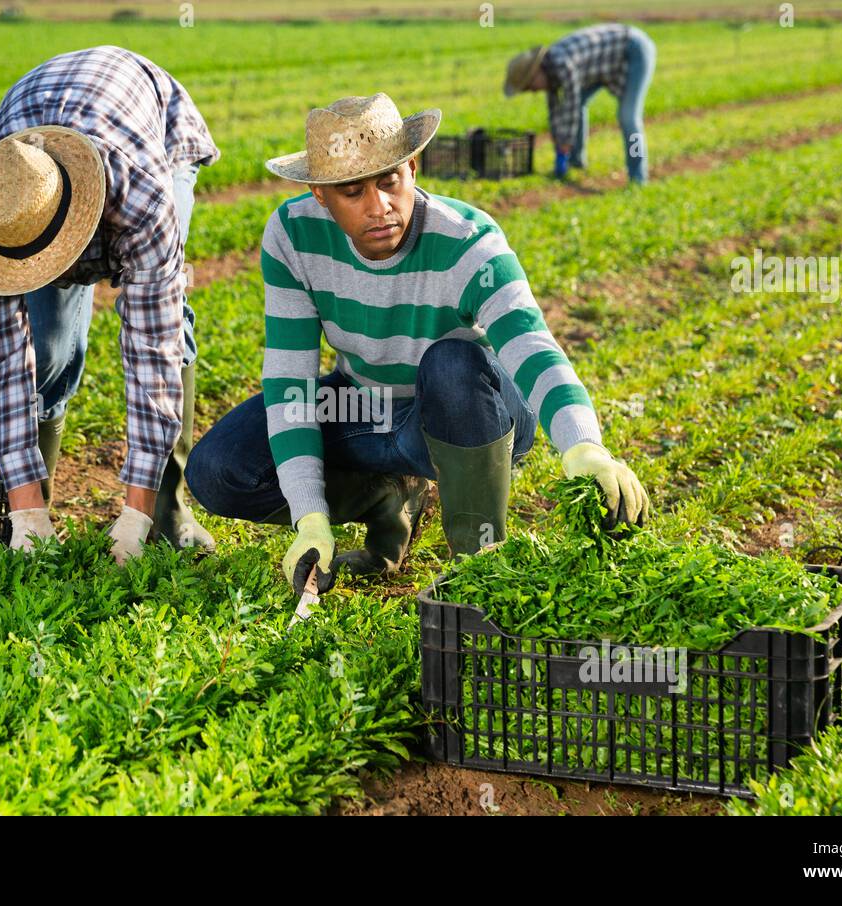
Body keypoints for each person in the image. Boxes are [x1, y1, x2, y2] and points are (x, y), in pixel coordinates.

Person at [185, 93, 648, 595]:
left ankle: (478, 566)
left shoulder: (469, 241)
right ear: (320, 194)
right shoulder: (293, 235)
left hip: (468, 409)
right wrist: (310, 517)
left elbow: (531, 345)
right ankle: (389, 496)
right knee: (219, 470)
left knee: (451, 361)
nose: (379, 207)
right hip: (362, 405)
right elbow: (290, 378)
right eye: (352, 192)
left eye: (389, 182)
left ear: (412, 167)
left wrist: (585, 447)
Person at [0, 46, 219, 566]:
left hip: (152, 130)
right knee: (46, 347)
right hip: (43, 135)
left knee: (171, 324)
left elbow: (150, 345)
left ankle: (166, 508)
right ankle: (35, 510)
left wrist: (131, 513)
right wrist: (24, 513)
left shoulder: (142, 202)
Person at [504, 24, 656, 183]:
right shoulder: (550, 69)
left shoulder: (562, 64)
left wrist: (565, 142)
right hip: (603, 62)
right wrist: (558, 141)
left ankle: (638, 176)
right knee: (581, 106)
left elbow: (571, 106)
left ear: (536, 74)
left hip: (633, 49)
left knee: (628, 117)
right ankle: (576, 161)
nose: (534, 92)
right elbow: (555, 110)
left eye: (530, 87)